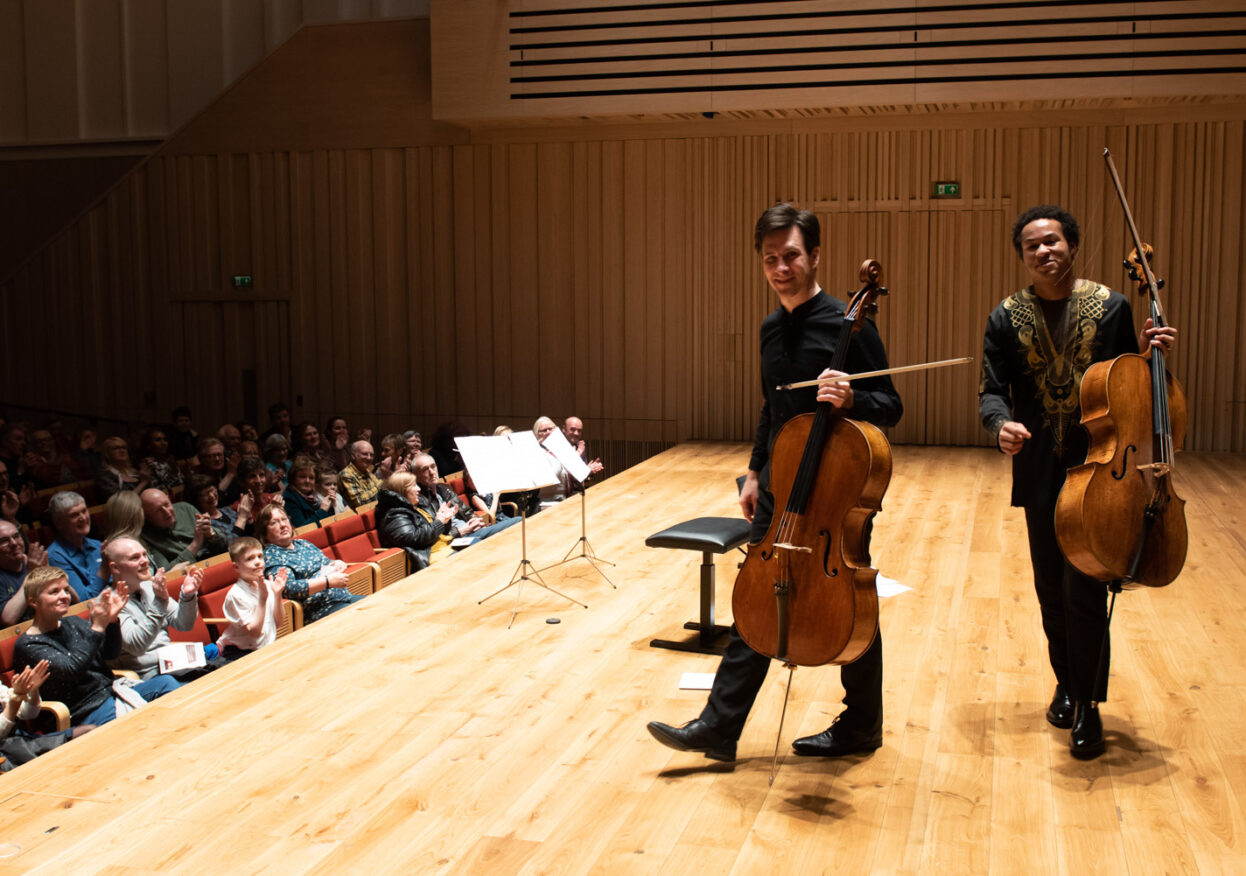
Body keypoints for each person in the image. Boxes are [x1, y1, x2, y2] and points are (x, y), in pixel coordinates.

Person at [647, 203, 902, 763]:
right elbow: (772, 408)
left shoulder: (849, 322)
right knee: (757, 597)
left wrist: (854, 396)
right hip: (781, 483)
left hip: (834, 487)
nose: (781, 268)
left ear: (815, 255)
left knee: (847, 597)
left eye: (791, 256)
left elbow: (892, 405)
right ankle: (719, 728)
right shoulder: (769, 329)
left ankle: (863, 724)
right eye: (770, 259)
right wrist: (755, 471)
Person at [979, 204, 1177, 759]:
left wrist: (1150, 354)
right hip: (1040, 469)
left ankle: (1088, 704)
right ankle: (1066, 682)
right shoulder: (1004, 316)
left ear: (1072, 244)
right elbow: (990, 389)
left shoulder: (1111, 306)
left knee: (1084, 588)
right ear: (1022, 256)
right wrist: (1000, 425)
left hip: (1101, 470)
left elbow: (1134, 386)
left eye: (1052, 242)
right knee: (1050, 590)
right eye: (1031, 246)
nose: (1043, 251)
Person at [14, 566, 180, 726]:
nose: (64, 596)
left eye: (66, 590)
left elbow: (109, 654)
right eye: (54, 592)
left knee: (166, 683)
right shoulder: (28, 644)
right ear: (34, 602)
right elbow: (72, 669)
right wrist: (98, 627)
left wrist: (113, 622)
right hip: (80, 710)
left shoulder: (73, 622)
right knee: (139, 719)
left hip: (110, 692)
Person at [100, 536, 204, 680]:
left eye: (144, 554)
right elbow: (137, 646)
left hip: (175, 664)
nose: (144, 561)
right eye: (135, 558)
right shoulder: (110, 603)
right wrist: (159, 601)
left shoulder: (149, 587)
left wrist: (188, 594)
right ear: (115, 567)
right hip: (149, 676)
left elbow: (184, 624)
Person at [256, 504, 362, 622]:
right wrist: (327, 582)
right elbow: (289, 588)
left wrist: (335, 563)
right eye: (274, 523)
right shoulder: (273, 557)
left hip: (344, 598)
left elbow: (326, 562)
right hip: (320, 610)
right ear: (264, 533)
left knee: (379, 605)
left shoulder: (302, 543)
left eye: (284, 519)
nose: (282, 525)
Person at [0, 658, 88, 771]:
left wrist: (32, 690)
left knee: (87, 732)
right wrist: (16, 698)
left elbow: (29, 713)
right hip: (6, 755)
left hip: (20, 742)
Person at [216, 537, 287, 661]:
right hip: (239, 653)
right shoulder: (235, 595)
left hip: (265, 647)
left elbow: (279, 622)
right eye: (250, 558)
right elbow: (254, 632)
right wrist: (262, 599)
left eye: (260, 556)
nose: (258, 562)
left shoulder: (268, 585)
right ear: (236, 567)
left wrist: (277, 594)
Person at [139, 488, 225, 569]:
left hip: (217, 560)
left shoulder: (184, 508)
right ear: (148, 517)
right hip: (189, 574)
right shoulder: (146, 536)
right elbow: (166, 573)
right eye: (158, 511)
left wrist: (210, 534)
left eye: (167, 504)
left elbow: (225, 544)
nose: (167, 512)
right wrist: (195, 544)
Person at [44, 491, 105, 602]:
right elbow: (84, 600)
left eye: (84, 511)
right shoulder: (54, 557)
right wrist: (104, 569)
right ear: (58, 522)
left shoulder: (97, 545)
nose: (83, 518)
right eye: (74, 515)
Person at [0, 520, 46, 625]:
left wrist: (50, 572)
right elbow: (8, 618)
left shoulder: (36, 562)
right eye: (4, 540)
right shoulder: (32, 568)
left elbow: (74, 599)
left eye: (16, 536)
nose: (14, 543)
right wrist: (31, 574)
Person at [282, 457, 335, 528]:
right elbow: (302, 529)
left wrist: (331, 507)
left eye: (311, 478)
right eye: (302, 477)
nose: (307, 481)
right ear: (293, 478)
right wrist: (322, 510)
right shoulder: (289, 498)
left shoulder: (313, 496)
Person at [338, 440, 381, 509]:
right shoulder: (346, 474)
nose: (369, 458)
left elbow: (380, 492)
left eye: (371, 455)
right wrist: (384, 482)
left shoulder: (366, 471)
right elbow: (361, 502)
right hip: (355, 517)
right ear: (353, 456)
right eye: (364, 454)